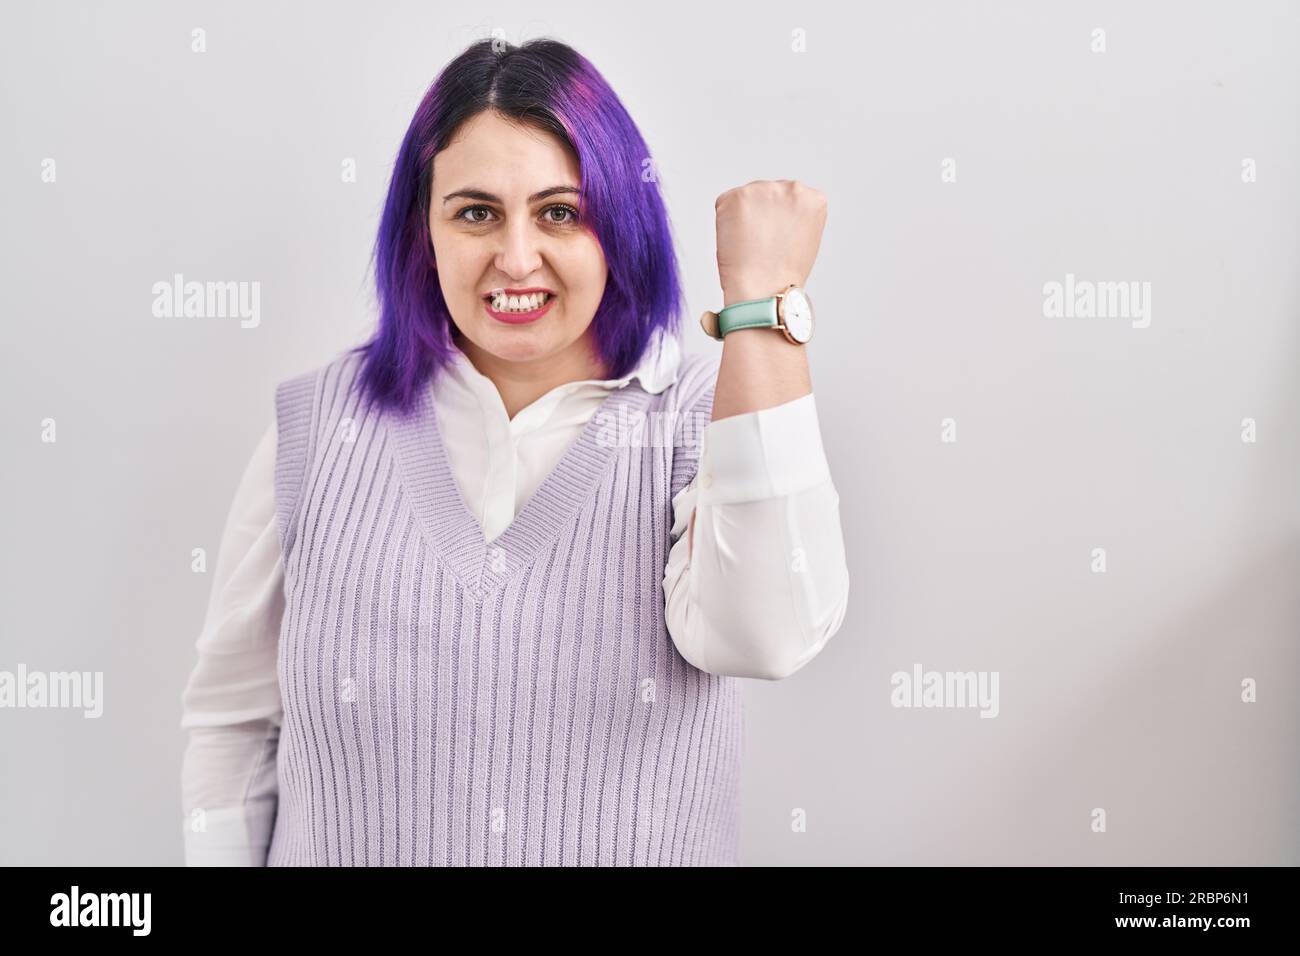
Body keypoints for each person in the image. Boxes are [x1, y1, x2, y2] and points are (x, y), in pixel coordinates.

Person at [180, 37, 849, 867]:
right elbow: (233, 724)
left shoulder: (702, 419)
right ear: (423, 232)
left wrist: (764, 300)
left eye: (560, 212)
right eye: (476, 212)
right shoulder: (317, 427)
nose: (517, 257)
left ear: (620, 226)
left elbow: (766, 636)